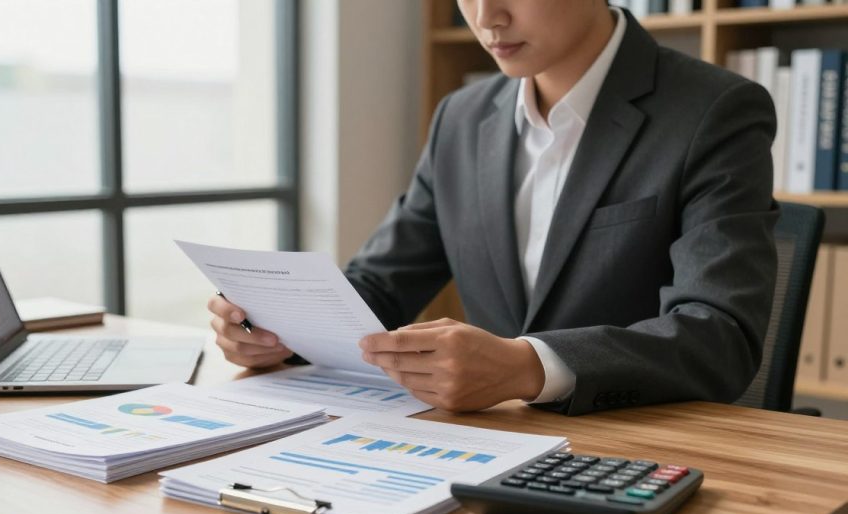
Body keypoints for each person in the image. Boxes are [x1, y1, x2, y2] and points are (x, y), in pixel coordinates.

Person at [207, 0, 778, 416]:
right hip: (483, 448)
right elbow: (380, 287)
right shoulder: (461, 116)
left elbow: (719, 336)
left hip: (640, 449)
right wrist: (278, 331)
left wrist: (528, 366)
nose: (485, 17)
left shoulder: (715, 111)